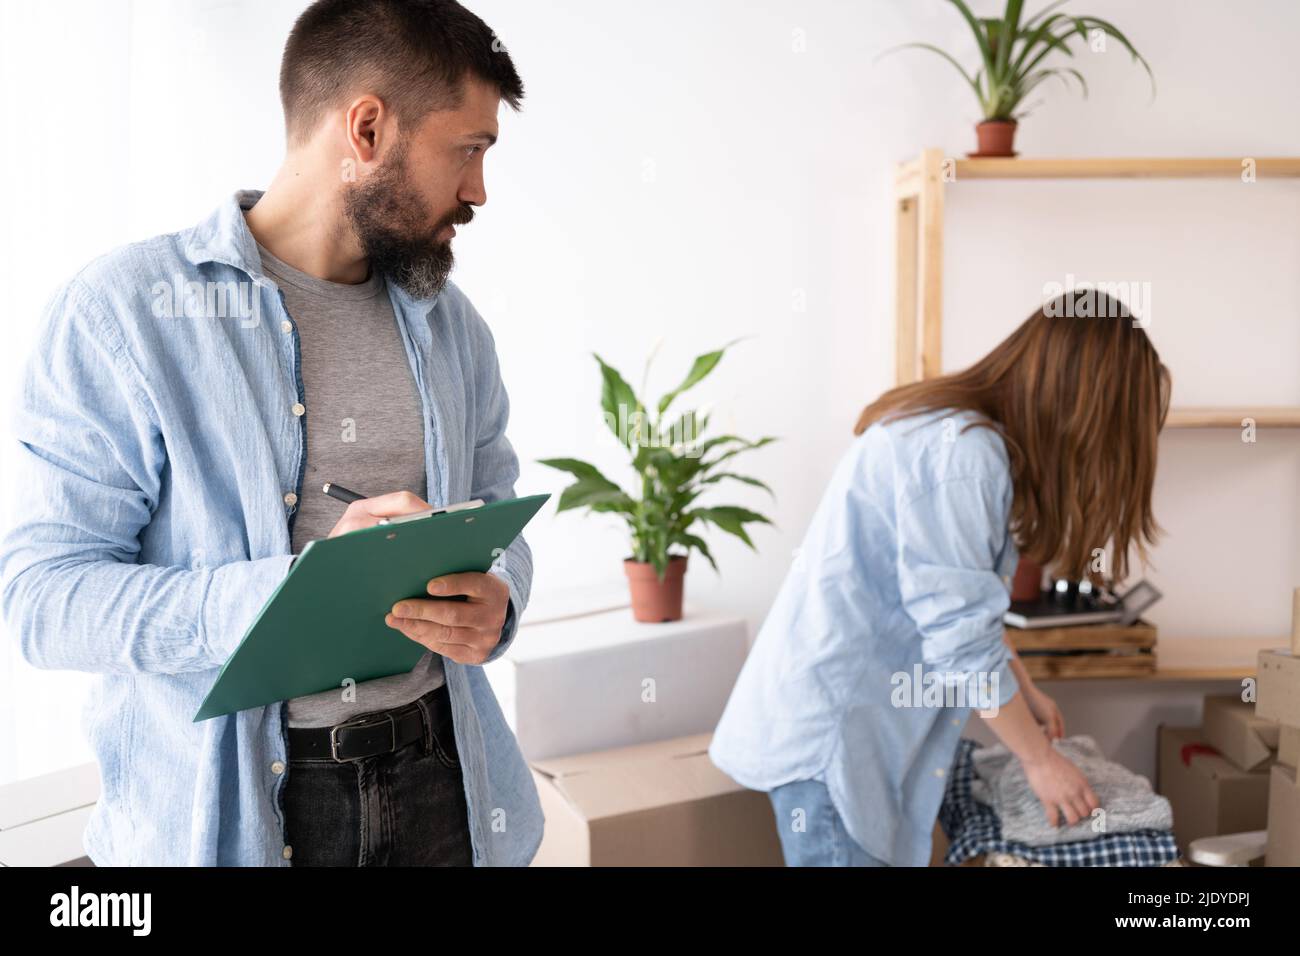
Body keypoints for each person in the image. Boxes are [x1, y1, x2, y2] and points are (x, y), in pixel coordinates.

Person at [0, 0, 539, 866]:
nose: (478, 190)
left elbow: (497, 516)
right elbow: (43, 600)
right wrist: (292, 595)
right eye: (467, 150)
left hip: (443, 779)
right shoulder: (124, 314)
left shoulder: (452, 325)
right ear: (368, 129)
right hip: (241, 818)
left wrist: (499, 597)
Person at [709, 291, 1171, 866]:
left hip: (850, 732)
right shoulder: (965, 457)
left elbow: (965, 610)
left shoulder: (963, 441)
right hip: (835, 741)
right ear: (1078, 403)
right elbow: (960, 641)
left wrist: (1025, 691)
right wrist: (1039, 759)